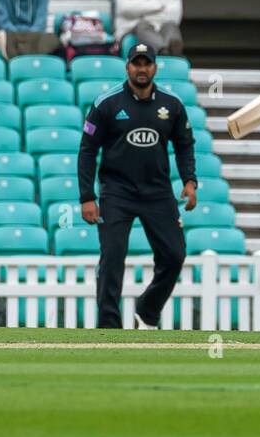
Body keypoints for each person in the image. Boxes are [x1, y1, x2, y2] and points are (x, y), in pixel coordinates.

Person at [78, 43, 197, 330]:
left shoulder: (171, 104)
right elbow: (87, 150)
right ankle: (109, 327)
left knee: (174, 255)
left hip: (157, 191)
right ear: (127, 66)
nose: (141, 69)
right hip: (116, 192)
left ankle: (147, 310)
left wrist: (190, 181)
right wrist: (87, 197)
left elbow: (184, 145)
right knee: (113, 256)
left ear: (155, 67)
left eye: (147, 64)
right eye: (136, 63)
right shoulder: (107, 103)